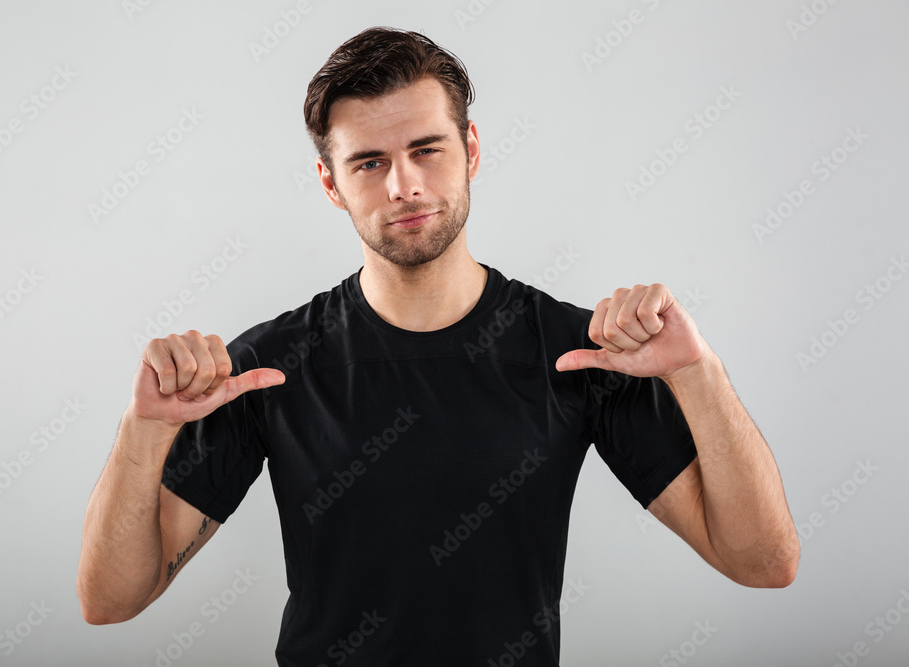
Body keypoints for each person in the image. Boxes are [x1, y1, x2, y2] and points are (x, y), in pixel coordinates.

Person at [76, 26, 799, 666]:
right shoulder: (269, 367)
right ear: (330, 183)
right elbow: (110, 600)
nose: (405, 185)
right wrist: (144, 433)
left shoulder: (577, 353)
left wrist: (698, 374)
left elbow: (764, 563)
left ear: (471, 149)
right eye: (369, 162)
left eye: (427, 149)